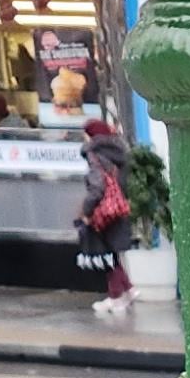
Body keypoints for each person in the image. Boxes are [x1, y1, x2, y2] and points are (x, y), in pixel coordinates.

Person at [76, 110, 134, 319]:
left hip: (104, 211)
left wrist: (86, 210)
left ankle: (116, 295)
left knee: (106, 254)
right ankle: (125, 290)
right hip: (119, 208)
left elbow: (97, 187)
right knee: (113, 253)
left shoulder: (94, 154)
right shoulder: (118, 152)